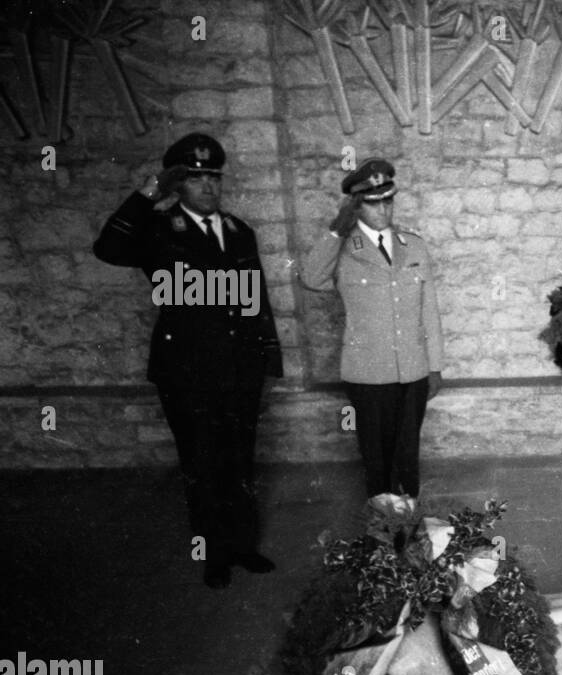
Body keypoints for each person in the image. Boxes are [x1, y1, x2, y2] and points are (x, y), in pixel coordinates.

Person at [93, 132, 283, 589]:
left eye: (213, 178)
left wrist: (269, 361)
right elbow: (107, 249)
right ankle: (213, 553)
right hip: (187, 370)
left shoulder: (239, 231)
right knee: (201, 461)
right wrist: (149, 191)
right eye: (195, 179)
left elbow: (256, 299)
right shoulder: (158, 230)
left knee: (239, 459)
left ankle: (243, 545)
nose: (208, 187)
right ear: (178, 184)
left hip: (240, 368)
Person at [299, 158, 443, 499]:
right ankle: (382, 534)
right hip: (368, 373)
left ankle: (407, 530)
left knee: (408, 455)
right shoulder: (343, 249)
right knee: (376, 458)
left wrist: (434, 366)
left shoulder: (414, 246)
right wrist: (336, 230)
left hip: (413, 369)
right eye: (372, 202)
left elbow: (430, 312)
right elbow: (310, 277)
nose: (383, 209)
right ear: (356, 206)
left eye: (388, 200)